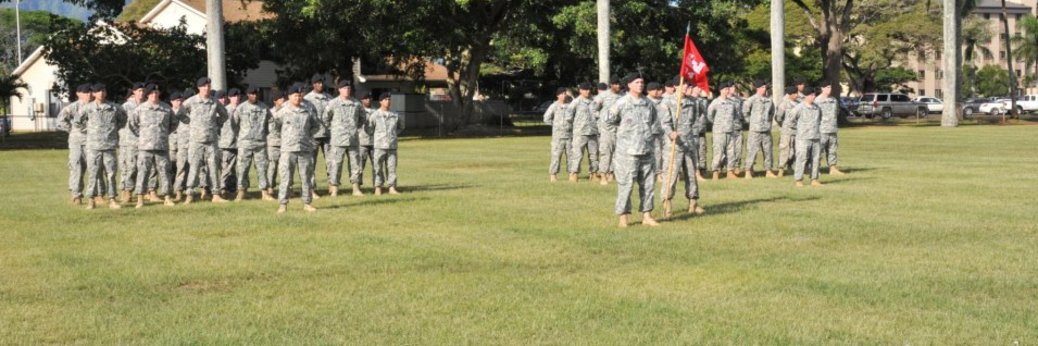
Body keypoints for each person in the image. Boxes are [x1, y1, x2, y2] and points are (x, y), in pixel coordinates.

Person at [605, 73, 659, 227]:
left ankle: (647, 215)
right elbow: (608, 121)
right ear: (629, 85)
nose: (641, 85)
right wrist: (622, 136)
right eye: (637, 82)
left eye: (642, 82)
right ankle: (623, 217)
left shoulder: (648, 103)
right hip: (627, 152)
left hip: (646, 149)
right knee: (626, 184)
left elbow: (654, 120)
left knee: (648, 184)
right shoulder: (622, 102)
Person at [659, 83, 705, 217]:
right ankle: (667, 203)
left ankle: (693, 203)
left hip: (689, 143)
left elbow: (699, 116)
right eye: (684, 85)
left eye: (688, 86)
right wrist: (670, 133)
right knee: (671, 176)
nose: (687, 88)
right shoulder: (667, 101)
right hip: (674, 144)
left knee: (691, 175)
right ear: (676, 86)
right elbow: (664, 122)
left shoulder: (693, 102)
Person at [181, 77, 230, 204]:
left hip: (211, 140)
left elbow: (225, 115)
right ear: (199, 88)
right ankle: (190, 194)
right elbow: (179, 114)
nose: (206, 88)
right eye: (204, 86)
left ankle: (216, 194)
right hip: (196, 141)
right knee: (194, 167)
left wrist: (215, 124)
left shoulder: (214, 102)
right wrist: (190, 123)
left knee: (213, 167)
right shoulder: (191, 101)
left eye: (208, 86)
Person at [128, 84, 178, 208]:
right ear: (148, 95)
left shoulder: (166, 108)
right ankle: (140, 198)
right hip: (145, 147)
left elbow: (174, 123)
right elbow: (132, 124)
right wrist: (143, 135)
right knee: (143, 173)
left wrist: (163, 134)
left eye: (156, 92)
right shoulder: (141, 109)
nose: (154, 95)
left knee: (165, 172)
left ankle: (167, 197)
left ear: (159, 93)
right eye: (151, 93)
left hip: (161, 146)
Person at [78, 83, 126, 209]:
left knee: (111, 174)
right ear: (93, 93)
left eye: (103, 90)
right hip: (94, 146)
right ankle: (91, 199)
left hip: (109, 146)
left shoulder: (114, 108)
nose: (101, 93)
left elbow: (123, 120)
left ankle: (112, 199)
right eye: (98, 91)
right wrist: (90, 131)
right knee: (93, 173)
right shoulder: (87, 108)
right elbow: (78, 122)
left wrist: (112, 131)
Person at [276, 83, 321, 213]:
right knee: (286, 178)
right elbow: (275, 126)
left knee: (306, 177)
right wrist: (286, 137)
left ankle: (307, 203)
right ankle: (283, 204)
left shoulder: (308, 110)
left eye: (300, 95)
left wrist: (307, 136)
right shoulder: (283, 111)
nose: (298, 98)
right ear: (289, 96)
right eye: (295, 95)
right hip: (288, 149)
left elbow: (316, 125)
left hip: (304, 149)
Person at [323, 80, 367, 197]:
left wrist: (354, 129)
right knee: (336, 165)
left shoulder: (357, 104)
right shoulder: (333, 103)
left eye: (348, 88)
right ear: (339, 90)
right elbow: (325, 119)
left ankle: (356, 188)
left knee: (355, 165)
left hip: (353, 140)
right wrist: (334, 130)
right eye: (344, 88)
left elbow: (362, 119)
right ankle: (335, 188)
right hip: (338, 141)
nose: (347, 90)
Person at [234, 86, 274, 201]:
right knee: (242, 169)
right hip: (245, 144)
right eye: (252, 94)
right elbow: (234, 124)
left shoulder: (264, 108)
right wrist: (241, 136)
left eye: (256, 94)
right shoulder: (241, 108)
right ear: (247, 94)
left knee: (262, 168)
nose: (254, 96)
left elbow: (271, 122)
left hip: (260, 144)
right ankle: (241, 192)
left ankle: (264, 192)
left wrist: (264, 134)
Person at [57, 83, 93, 205]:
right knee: (77, 167)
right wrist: (72, 130)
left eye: (90, 92)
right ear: (78, 93)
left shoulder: (94, 107)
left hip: (92, 141)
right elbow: (60, 121)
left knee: (95, 168)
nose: (89, 94)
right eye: (86, 92)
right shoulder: (72, 107)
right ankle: (76, 194)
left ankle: (97, 194)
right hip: (77, 142)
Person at [369, 92, 405, 195]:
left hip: (392, 146)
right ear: (380, 102)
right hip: (379, 146)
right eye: (385, 99)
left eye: (389, 99)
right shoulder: (375, 115)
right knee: (377, 167)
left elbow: (401, 127)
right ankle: (378, 187)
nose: (388, 101)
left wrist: (393, 135)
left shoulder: (395, 115)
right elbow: (369, 129)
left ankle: (392, 188)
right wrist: (378, 137)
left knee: (392, 167)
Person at [304, 73, 332, 199]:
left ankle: (332, 186)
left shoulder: (329, 98)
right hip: (313, 136)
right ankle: (311, 189)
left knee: (331, 162)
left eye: (321, 82)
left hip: (328, 135)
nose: (320, 85)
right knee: (311, 163)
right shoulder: (307, 99)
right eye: (318, 83)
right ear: (313, 84)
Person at [742, 79, 776, 179]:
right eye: (762, 87)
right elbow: (745, 113)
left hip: (766, 130)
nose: (764, 89)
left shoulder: (769, 101)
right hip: (755, 130)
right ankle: (748, 170)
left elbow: (771, 112)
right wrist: (752, 122)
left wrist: (768, 122)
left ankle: (768, 170)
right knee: (752, 150)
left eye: (765, 87)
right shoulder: (751, 100)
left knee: (768, 151)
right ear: (757, 88)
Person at [118, 82, 145, 203]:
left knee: (145, 168)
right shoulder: (126, 106)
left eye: (143, 91)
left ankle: (144, 192)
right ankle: (127, 190)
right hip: (129, 141)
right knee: (130, 167)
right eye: (139, 91)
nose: (141, 93)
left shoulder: (146, 105)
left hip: (145, 142)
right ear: (134, 92)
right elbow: (117, 121)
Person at [791, 86, 823, 187]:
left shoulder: (817, 108)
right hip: (803, 138)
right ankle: (798, 180)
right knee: (802, 158)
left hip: (815, 137)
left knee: (816, 159)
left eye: (814, 95)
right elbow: (791, 120)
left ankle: (814, 179)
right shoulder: (799, 107)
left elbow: (820, 119)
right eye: (811, 95)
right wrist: (801, 130)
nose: (813, 97)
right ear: (806, 96)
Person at [568, 82, 600, 182]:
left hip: (593, 132)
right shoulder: (576, 102)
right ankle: (574, 174)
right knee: (577, 154)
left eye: (589, 89)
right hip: (580, 133)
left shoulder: (594, 101)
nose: (588, 91)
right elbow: (569, 116)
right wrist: (576, 126)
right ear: (580, 90)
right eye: (585, 89)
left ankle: (594, 174)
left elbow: (598, 114)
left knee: (594, 154)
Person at [707, 81, 739, 180]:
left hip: (730, 130)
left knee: (731, 152)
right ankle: (715, 172)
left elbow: (734, 115)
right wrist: (718, 124)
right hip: (719, 131)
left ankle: (730, 171)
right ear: (721, 90)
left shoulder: (731, 103)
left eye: (728, 89)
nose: (727, 91)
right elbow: (710, 115)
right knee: (718, 152)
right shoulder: (715, 102)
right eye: (725, 89)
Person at [543, 87, 574, 182]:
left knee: (571, 156)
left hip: (569, 136)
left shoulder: (570, 106)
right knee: (556, 156)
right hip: (558, 137)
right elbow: (546, 118)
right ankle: (553, 175)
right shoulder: (554, 106)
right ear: (558, 95)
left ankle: (571, 174)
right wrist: (556, 125)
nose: (564, 95)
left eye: (565, 93)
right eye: (562, 94)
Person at [815, 82, 845, 175]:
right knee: (819, 151)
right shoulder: (817, 101)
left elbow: (837, 112)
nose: (829, 89)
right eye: (827, 87)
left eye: (830, 88)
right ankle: (816, 169)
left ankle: (833, 168)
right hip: (822, 130)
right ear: (822, 88)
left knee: (832, 150)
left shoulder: (834, 100)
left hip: (832, 129)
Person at [597, 78, 622, 185]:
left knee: (618, 153)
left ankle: (613, 173)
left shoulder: (623, 96)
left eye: (619, 84)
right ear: (611, 85)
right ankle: (603, 174)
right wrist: (602, 118)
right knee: (606, 151)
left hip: (620, 128)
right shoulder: (603, 96)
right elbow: (593, 108)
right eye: (615, 84)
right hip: (607, 128)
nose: (618, 86)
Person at [775, 86, 800, 177]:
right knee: (785, 149)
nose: (796, 95)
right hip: (786, 131)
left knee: (795, 150)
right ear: (790, 94)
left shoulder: (799, 104)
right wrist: (785, 125)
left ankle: (791, 167)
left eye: (797, 93)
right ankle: (781, 169)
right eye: (795, 93)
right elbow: (778, 117)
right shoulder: (784, 104)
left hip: (797, 131)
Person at [266, 91, 286, 198]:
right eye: (280, 98)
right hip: (273, 143)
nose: (283, 100)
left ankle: (287, 188)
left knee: (285, 167)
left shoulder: (287, 111)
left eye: (283, 98)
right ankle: (270, 188)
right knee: (272, 167)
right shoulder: (270, 112)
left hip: (285, 143)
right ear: (275, 101)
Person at [357, 93, 377, 194]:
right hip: (361, 142)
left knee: (376, 166)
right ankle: (358, 187)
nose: (368, 100)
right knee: (359, 166)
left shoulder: (376, 111)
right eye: (365, 98)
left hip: (374, 142)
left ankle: (377, 186)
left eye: (369, 98)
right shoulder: (358, 111)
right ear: (361, 100)